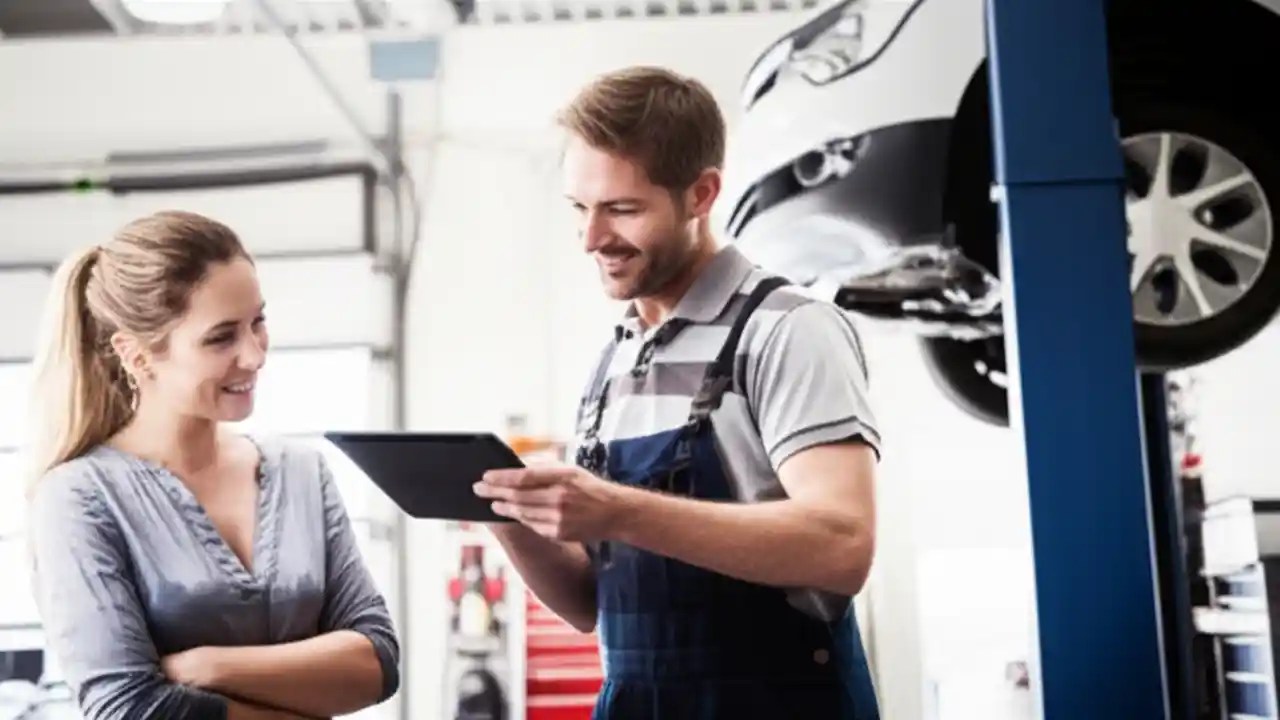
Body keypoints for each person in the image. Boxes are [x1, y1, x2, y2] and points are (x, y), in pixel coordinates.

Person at [473, 66, 882, 719]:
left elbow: (841, 546)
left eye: (622, 209)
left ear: (702, 194)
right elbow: (589, 606)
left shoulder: (788, 331)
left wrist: (619, 511)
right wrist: (508, 521)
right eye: (580, 209)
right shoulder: (614, 362)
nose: (591, 239)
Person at [23, 211, 401, 720]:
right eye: (221, 337)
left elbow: (378, 660)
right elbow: (130, 709)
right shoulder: (79, 497)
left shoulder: (301, 472)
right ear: (136, 356)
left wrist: (209, 667)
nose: (255, 355)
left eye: (258, 322)